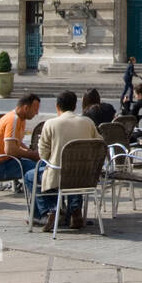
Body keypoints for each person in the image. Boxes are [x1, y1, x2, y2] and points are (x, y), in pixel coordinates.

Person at [34, 90, 99, 230]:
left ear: (57, 106)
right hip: (84, 175)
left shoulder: (50, 124)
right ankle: (75, 211)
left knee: (30, 176)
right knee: (74, 172)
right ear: (75, 106)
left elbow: (43, 154)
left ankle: (51, 210)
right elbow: (99, 144)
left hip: (58, 174)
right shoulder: (88, 122)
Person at [0, 93, 42, 202]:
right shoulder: (14, 119)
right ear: (26, 108)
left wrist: (31, 152)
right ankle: (42, 207)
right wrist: (32, 155)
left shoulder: (20, 119)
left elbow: (18, 143)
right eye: (35, 109)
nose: (37, 113)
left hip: (5, 162)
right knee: (37, 171)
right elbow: (10, 150)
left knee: (40, 166)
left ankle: (42, 204)